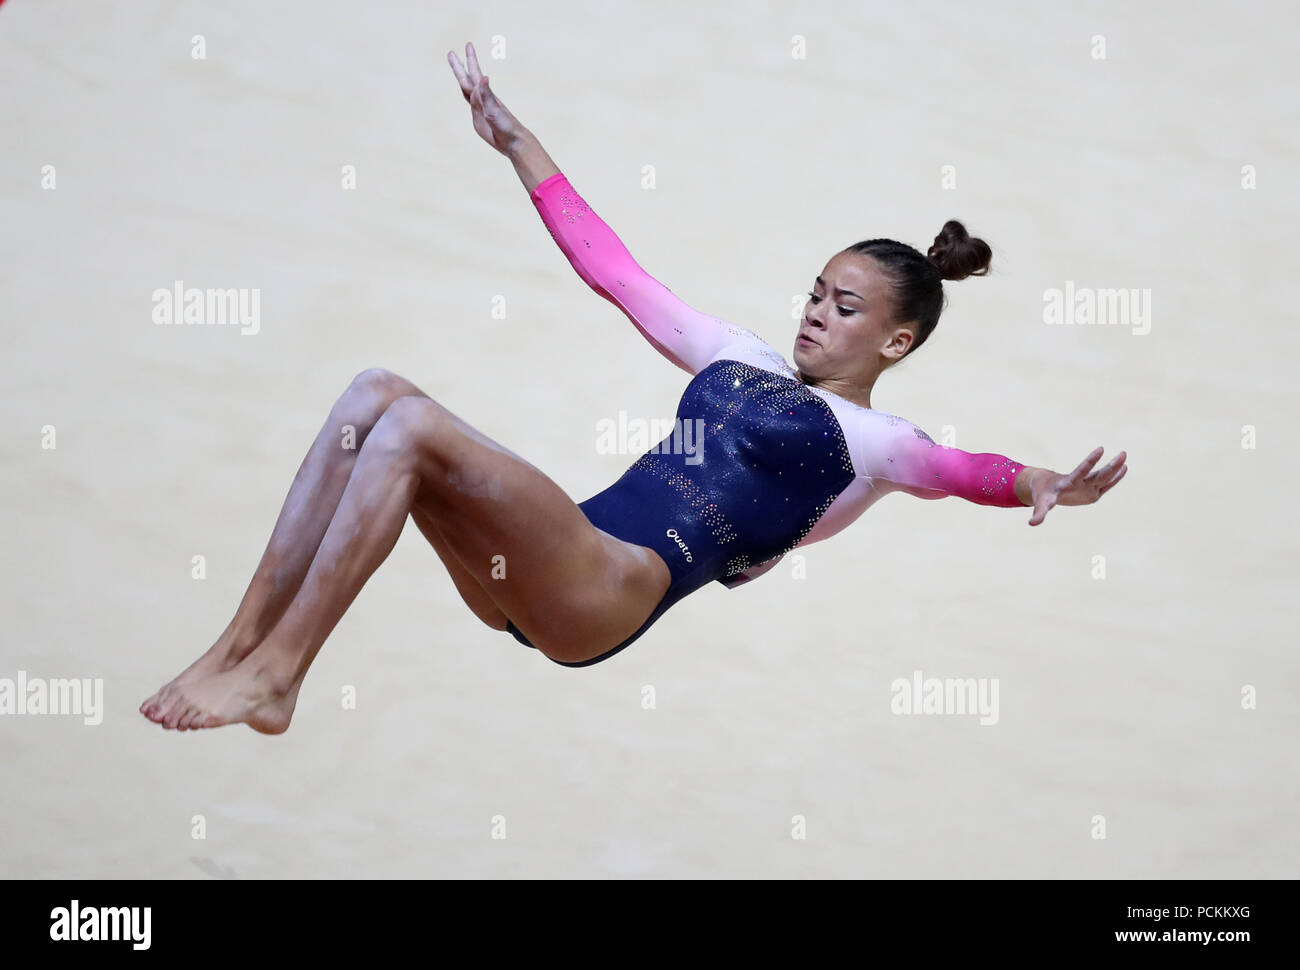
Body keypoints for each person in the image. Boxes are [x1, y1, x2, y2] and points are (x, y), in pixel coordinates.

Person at [139, 42, 1127, 734]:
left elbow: (962, 468)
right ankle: (240, 644)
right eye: (816, 293)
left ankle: (277, 677)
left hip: (608, 585)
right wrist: (516, 143)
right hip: (537, 573)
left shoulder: (875, 443)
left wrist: (1039, 480)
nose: (816, 313)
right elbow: (613, 271)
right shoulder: (734, 351)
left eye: (847, 307)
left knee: (407, 428)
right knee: (373, 399)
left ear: (897, 338)